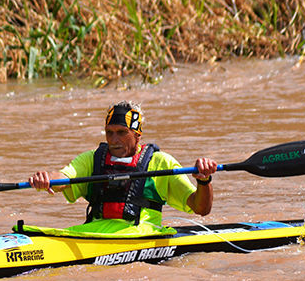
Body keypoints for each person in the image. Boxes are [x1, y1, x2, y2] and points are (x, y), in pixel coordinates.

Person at [28, 100, 217, 236]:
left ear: (137, 135)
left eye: (121, 133)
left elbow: (201, 208)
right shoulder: (92, 159)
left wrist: (204, 180)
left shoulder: (160, 163)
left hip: (143, 236)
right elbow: (63, 176)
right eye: (109, 133)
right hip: (93, 234)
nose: (113, 140)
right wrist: (47, 179)